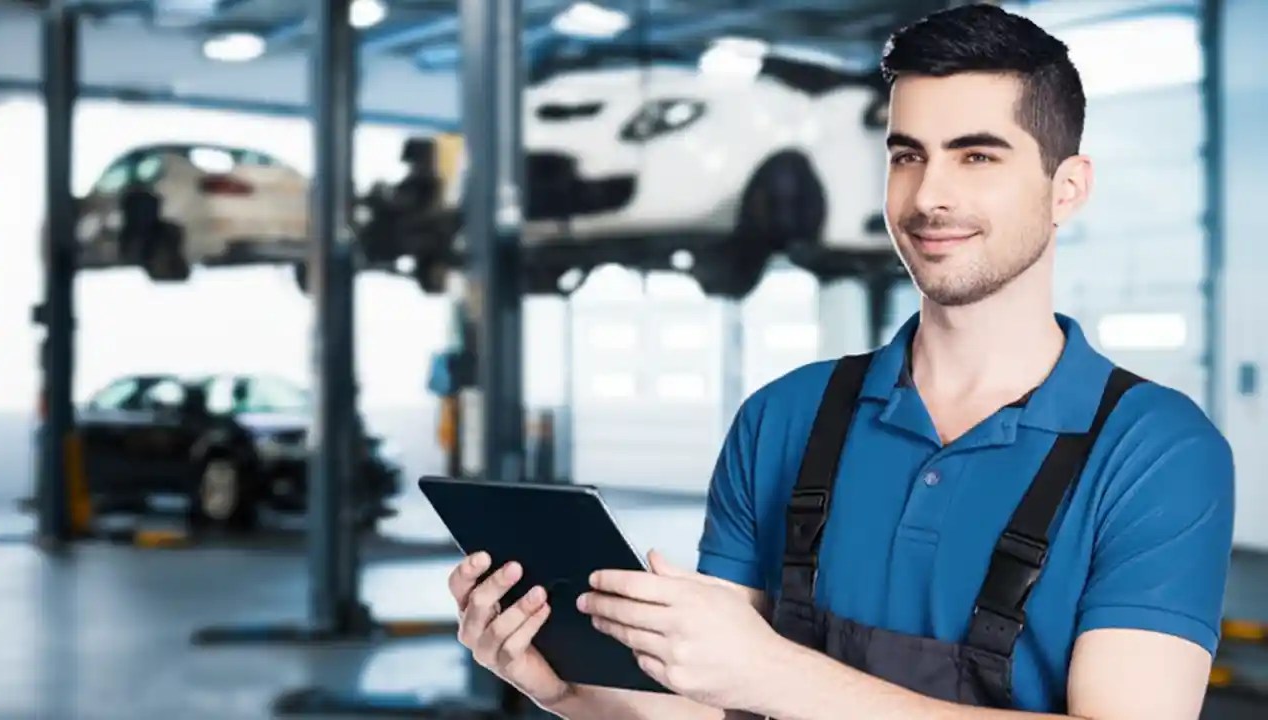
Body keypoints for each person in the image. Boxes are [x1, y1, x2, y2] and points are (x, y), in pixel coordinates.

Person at [446, 4, 1236, 719]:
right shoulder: (784, 417)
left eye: (977, 157)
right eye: (907, 156)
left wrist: (776, 673)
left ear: (1067, 189)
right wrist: (564, 690)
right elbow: (713, 705)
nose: (928, 196)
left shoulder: (1156, 452)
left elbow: (760, 678)